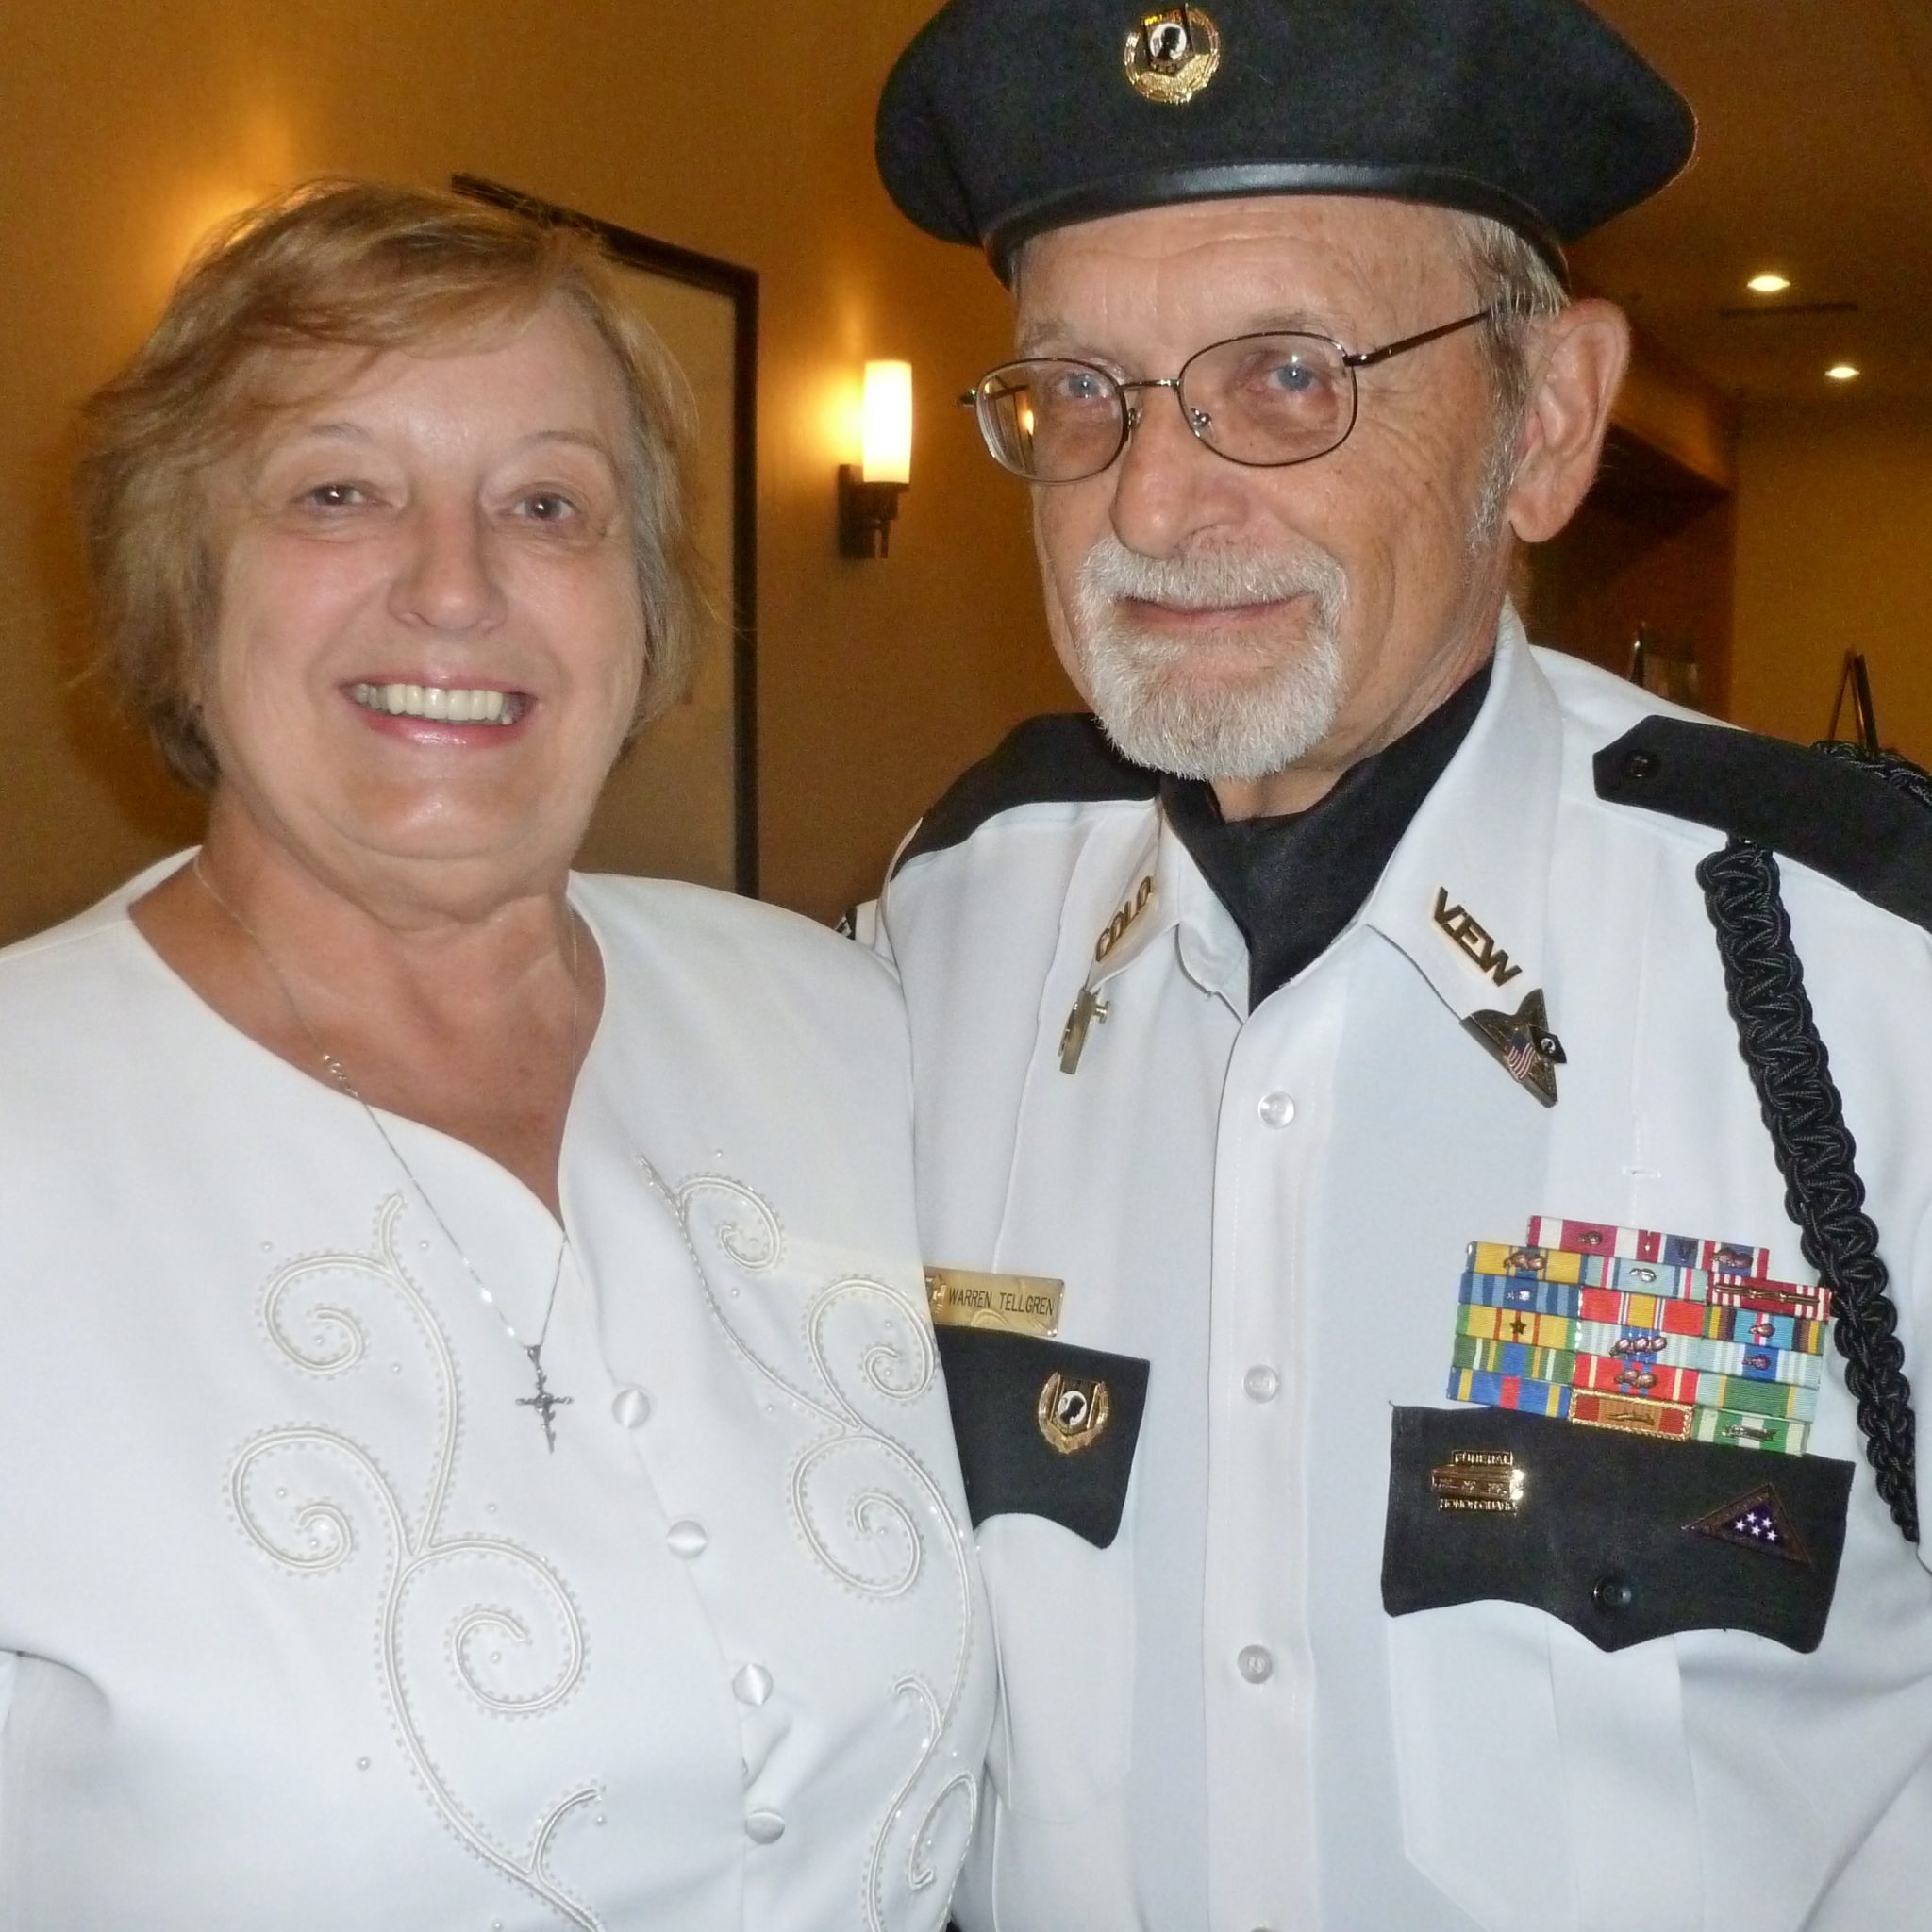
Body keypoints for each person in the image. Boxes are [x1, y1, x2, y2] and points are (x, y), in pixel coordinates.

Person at [860, 4, 1932, 1928]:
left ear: (1545, 425)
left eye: (1285, 378)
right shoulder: (945, 929)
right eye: (1081, 393)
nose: (1157, 506)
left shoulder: (1852, 979)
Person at [0, 179, 991, 1931]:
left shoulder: (854, 1029)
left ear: (640, 608)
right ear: (184, 581)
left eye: (548, 503)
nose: (453, 586)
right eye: (338, 492)